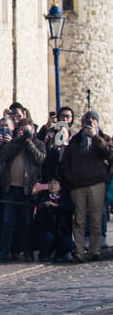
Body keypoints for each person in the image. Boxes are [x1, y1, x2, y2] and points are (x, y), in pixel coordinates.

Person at [59, 111, 111, 262]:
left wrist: (95, 136)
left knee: (96, 220)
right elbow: (65, 163)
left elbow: (108, 153)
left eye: (93, 119)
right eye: (86, 120)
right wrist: (71, 179)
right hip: (78, 186)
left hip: (96, 184)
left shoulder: (103, 138)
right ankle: (79, 252)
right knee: (79, 221)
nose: (89, 122)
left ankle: (95, 251)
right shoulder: (75, 141)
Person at [0, 118, 44, 262]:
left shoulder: (38, 144)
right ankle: (4, 252)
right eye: (22, 131)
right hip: (10, 188)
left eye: (27, 131)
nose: (24, 133)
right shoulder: (13, 143)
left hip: (27, 189)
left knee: (26, 222)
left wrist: (28, 142)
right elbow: (3, 155)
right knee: (7, 222)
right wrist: (19, 141)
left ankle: (27, 252)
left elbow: (40, 159)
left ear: (33, 131)